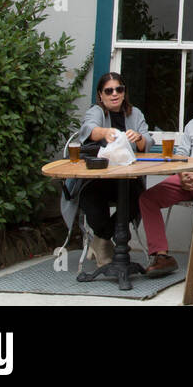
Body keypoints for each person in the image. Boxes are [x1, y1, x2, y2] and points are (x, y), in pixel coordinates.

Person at [139, 74, 193, 277]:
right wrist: (182, 173)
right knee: (148, 198)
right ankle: (162, 256)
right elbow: (181, 153)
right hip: (188, 177)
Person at [77, 72, 150, 265]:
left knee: (138, 198)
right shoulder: (97, 111)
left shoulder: (135, 113)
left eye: (119, 89)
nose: (114, 94)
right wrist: (105, 132)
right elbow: (89, 130)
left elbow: (147, 141)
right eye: (109, 91)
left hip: (127, 177)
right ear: (100, 95)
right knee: (89, 196)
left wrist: (139, 138)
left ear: (124, 92)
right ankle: (104, 240)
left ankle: (101, 240)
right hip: (100, 176)